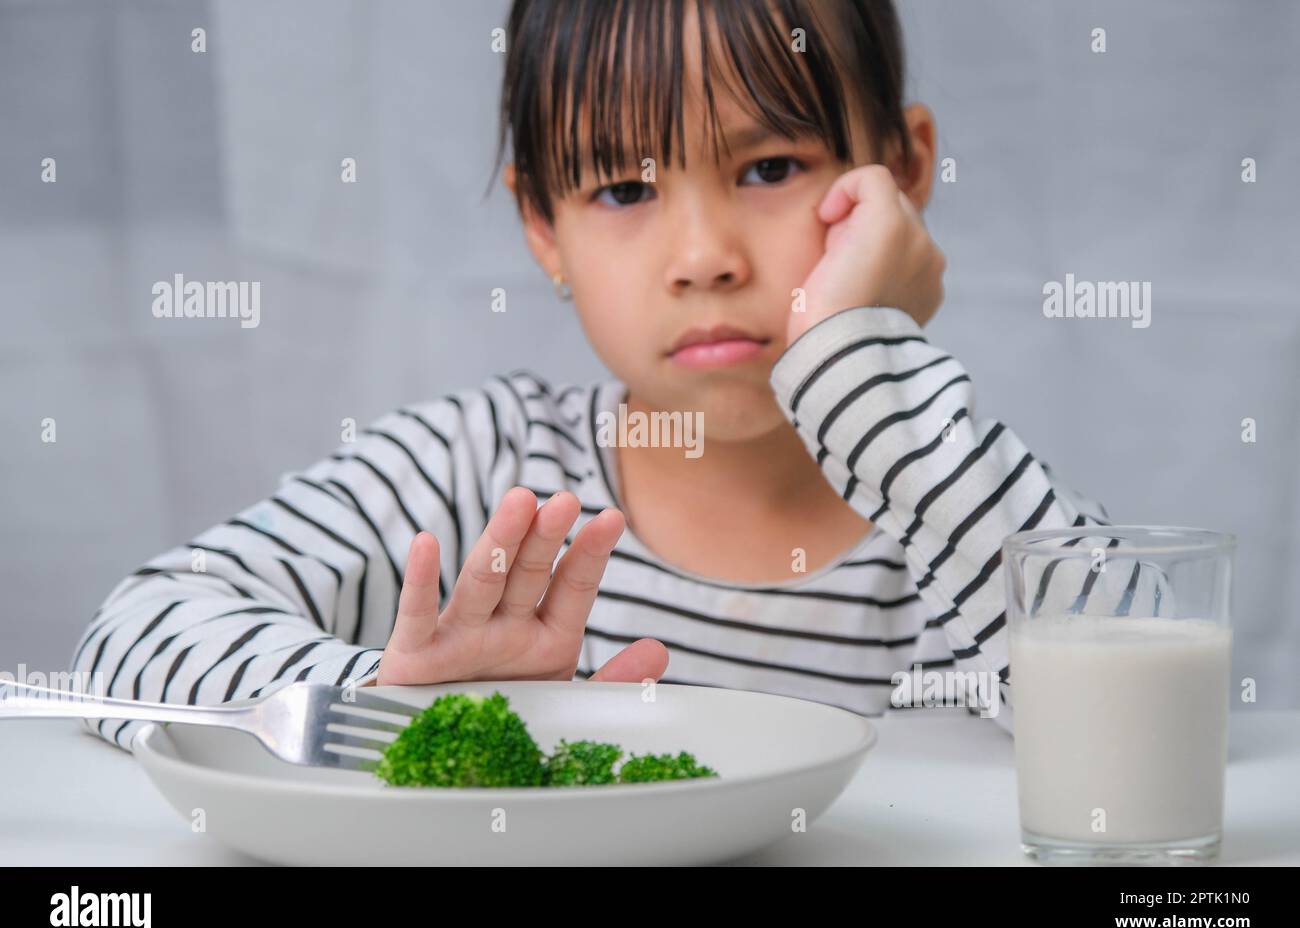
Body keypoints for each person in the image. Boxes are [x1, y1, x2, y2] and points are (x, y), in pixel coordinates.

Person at [73, 0, 1129, 753]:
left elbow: (1148, 717)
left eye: (769, 169)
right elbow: (135, 634)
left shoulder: (947, 495)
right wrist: (408, 713)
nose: (704, 254)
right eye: (624, 188)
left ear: (899, 170)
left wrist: (863, 366)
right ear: (542, 226)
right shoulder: (485, 466)